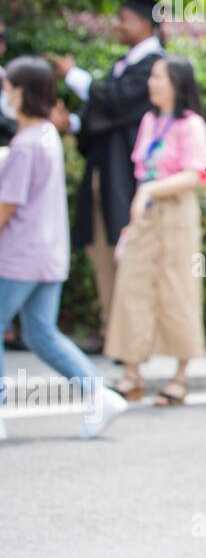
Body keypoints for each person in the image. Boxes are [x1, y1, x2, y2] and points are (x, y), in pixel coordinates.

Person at [0, 57, 129, 440]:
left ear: (22, 93)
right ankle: (98, 393)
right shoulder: (47, 137)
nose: (4, 95)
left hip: (18, 257)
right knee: (41, 332)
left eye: (8, 88)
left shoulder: (25, 145)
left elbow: (6, 207)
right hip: (47, 256)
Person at [48, 0, 165, 341]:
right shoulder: (125, 65)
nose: (119, 24)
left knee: (126, 254)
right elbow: (101, 115)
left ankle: (133, 337)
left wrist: (73, 76)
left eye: (125, 18)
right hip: (104, 174)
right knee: (102, 251)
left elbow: (113, 103)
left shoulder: (155, 66)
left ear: (145, 24)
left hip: (128, 182)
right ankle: (112, 331)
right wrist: (70, 123)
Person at [104, 55, 206, 406]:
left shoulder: (192, 124)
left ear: (176, 83)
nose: (151, 83)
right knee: (131, 284)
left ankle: (180, 377)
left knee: (179, 288)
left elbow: (195, 175)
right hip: (146, 213)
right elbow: (142, 172)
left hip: (177, 214)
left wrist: (150, 191)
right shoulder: (150, 120)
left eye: (158, 77)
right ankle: (131, 373)